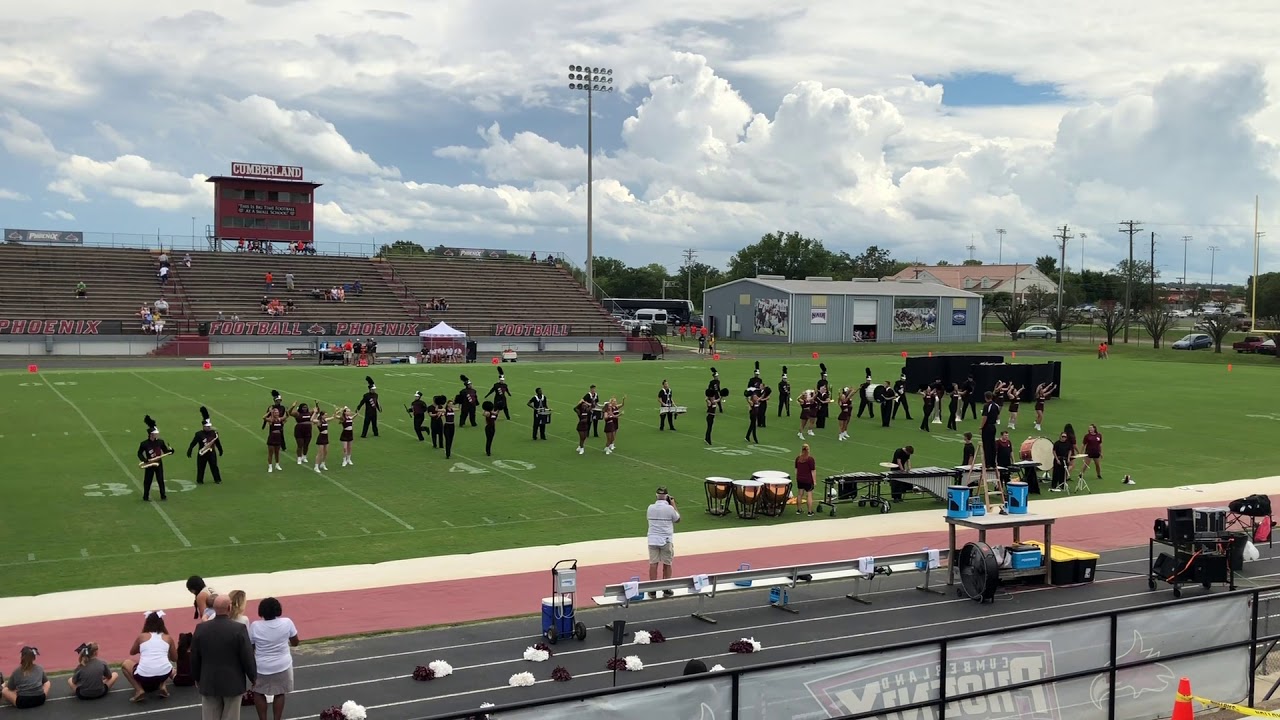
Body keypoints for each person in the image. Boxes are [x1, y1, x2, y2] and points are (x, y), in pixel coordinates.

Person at [191, 595, 257, 720]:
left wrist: (196, 676)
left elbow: (194, 656)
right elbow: (247, 656)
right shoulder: (238, 629)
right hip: (233, 682)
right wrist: (253, 677)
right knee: (231, 716)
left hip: (209, 681)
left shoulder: (201, 628)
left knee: (210, 716)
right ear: (229, 607)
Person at [250, 597, 298, 720]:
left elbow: (251, 646)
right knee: (279, 692)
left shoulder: (255, 626)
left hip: (261, 666)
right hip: (282, 665)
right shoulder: (287, 622)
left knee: (258, 692)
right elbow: (295, 642)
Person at [121, 612, 176, 703]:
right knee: (164, 661)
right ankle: (163, 686)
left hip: (143, 676)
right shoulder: (168, 638)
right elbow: (174, 658)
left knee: (126, 663)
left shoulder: (142, 637)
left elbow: (132, 652)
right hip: (164, 674)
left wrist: (144, 649)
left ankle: (139, 690)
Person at [646, 486, 680, 597]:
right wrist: (673, 504)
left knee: (653, 564)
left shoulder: (650, 508)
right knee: (667, 564)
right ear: (666, 496)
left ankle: (652, 589)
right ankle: (666, 588)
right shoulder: (669, 509)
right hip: (666, 540)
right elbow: (678, 519)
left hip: (652, 539)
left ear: (656, 496)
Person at [137, 415, 174, 502]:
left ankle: (163, 495)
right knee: (147, 481)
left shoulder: (160, 442)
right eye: (155, 433)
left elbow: (165, 451)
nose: (157, 434)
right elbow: (139, 453)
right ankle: (145, 496)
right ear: (151, 434)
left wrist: (171, 451)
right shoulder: (144, 444)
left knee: (160, 480)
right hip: (150, 464)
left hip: (158, 463)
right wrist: (144, 460)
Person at [188, 406, 224, 485]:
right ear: (204, 426)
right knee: (201, 467)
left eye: (209, 426)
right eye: (207, 427)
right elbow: (193, 443)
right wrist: (190, 449)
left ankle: (217, 479)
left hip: (211, 453)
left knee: (214, 466)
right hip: (202, 453)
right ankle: (200, 480)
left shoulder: (213, 433)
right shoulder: (199, 434)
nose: (209, 427)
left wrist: (220, 450)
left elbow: (217, 442)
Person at [980, 390, 1000, 470]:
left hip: (987, 426)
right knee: (992, 444)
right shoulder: (996, 405)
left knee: (987, 445)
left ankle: (987, 463)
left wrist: (981, 427)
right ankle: (993, 463)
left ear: (986, 397)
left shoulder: (986, 405)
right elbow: (998, 416)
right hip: (993, 426)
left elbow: (985, 417)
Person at [794, 444, 816, 516]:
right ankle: (809, 511)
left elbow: (796, 470)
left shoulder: (798, 458)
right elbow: (813, 471)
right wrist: (814, 481)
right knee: (809, 495)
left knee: (799, 494)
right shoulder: (810, 459)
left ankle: (798, 509)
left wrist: (797, 477)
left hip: (800, 479)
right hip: (808, 480)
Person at [263, 405, 285, 473]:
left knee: (277, 452)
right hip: (272, 437)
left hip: (278, 437)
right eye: (275, 412)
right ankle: (270, 466)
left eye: (277, 412)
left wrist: (287, 411)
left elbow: (286, 417)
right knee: (271, 453)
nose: (276, 413)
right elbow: (264, 417)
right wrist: (269, 412)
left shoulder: (280, 419)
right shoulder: (271, 420)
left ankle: (277, 464)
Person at [312, 405, 331, 473]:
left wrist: (337, 412)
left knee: (326, 452)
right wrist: (315, 412)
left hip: (326, 437)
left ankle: (323, 464)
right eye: (325, 415)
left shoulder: (325, 420)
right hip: (321, 437)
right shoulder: (319, 421)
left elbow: (333, 417)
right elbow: (312, 420)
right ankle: (316, 466)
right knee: (320, 452)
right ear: (322, 415)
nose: (326, 416)